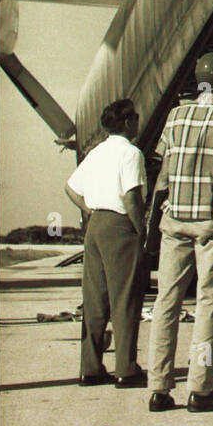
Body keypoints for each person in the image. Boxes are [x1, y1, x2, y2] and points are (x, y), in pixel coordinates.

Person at [147, 51, 213, 414]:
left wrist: (155, 214)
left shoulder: (176, 115)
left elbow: (164, 173)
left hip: (174, 220)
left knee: (166, 302)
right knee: (209, 304)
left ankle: (159, 390)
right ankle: (201, 389)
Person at [65, 98, 148, 387]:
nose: (138, 121)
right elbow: (131, 197)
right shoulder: (131, 153)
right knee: (124, 298)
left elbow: (70, 187)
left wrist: (90, 209)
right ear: (127, 122)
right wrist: (142, 231)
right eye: (135, 117)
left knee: (95, 300)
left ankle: (90, 368)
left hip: (96, 225)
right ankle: (126, 369)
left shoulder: (97, 152)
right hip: (120, 225)